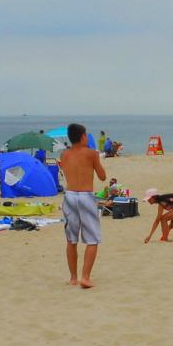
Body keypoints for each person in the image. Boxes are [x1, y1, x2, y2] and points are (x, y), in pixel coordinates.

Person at [58, 123, 106, 288]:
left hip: (70, 196)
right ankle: (85, 277)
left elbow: (66, 171)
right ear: (83, 136)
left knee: (71, 239)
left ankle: (73, 278)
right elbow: (102, 176)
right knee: (92, 239)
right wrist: (96, 161)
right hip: (85, 196)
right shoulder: (92, 154)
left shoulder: (64, 154)